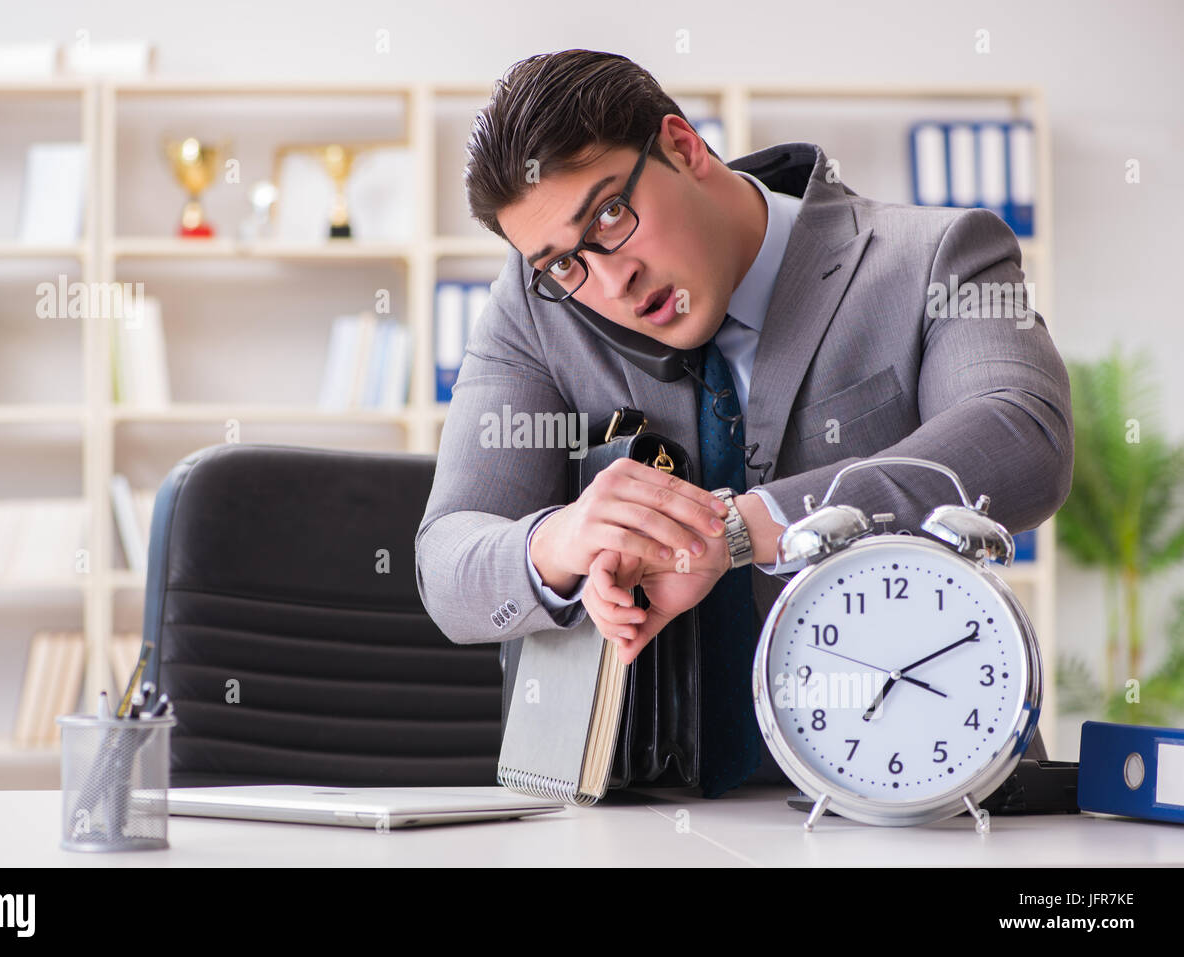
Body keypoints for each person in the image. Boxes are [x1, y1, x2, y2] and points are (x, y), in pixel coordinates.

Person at [414, 49, 1071, 796]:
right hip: (640, 818)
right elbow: (448, 561)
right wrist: (561, 538)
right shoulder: (535, 312)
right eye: (563, 262)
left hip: (922, 794)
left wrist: (733, 530)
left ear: (682, 145)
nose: (610, 279)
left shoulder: (937, 256)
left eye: (609, 215)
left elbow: (1024, 437)